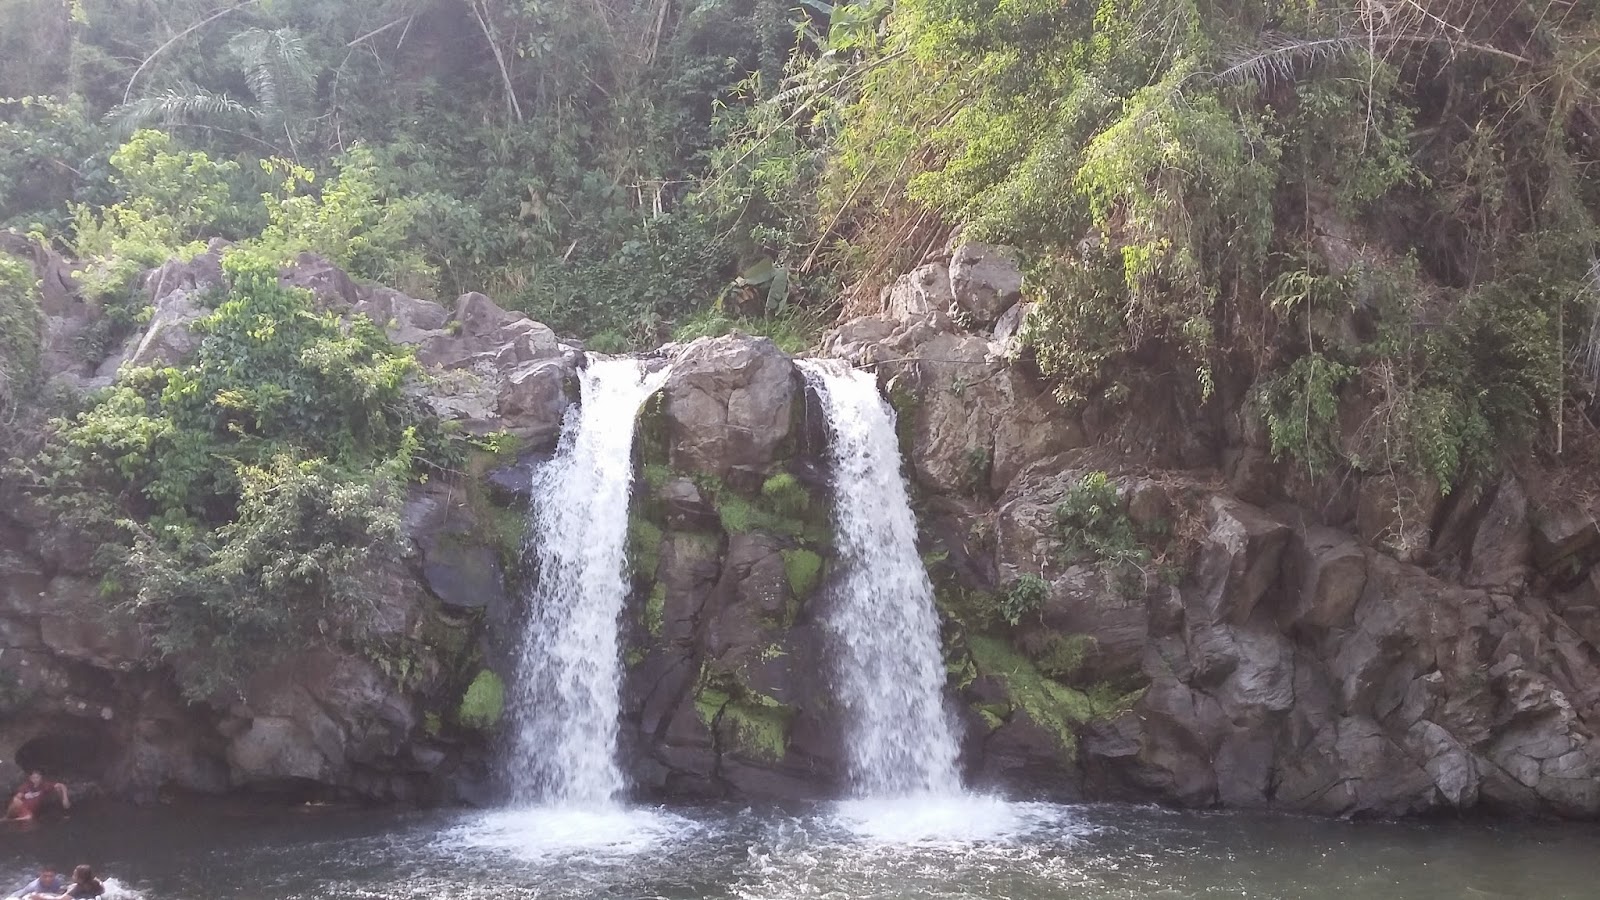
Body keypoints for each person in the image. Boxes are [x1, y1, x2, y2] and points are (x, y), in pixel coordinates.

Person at [25, 865, 101, 900]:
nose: (72, 876)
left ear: (80, 877)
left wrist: (39, 897)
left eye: (74, 874)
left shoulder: (77, 888)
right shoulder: (95, 883)